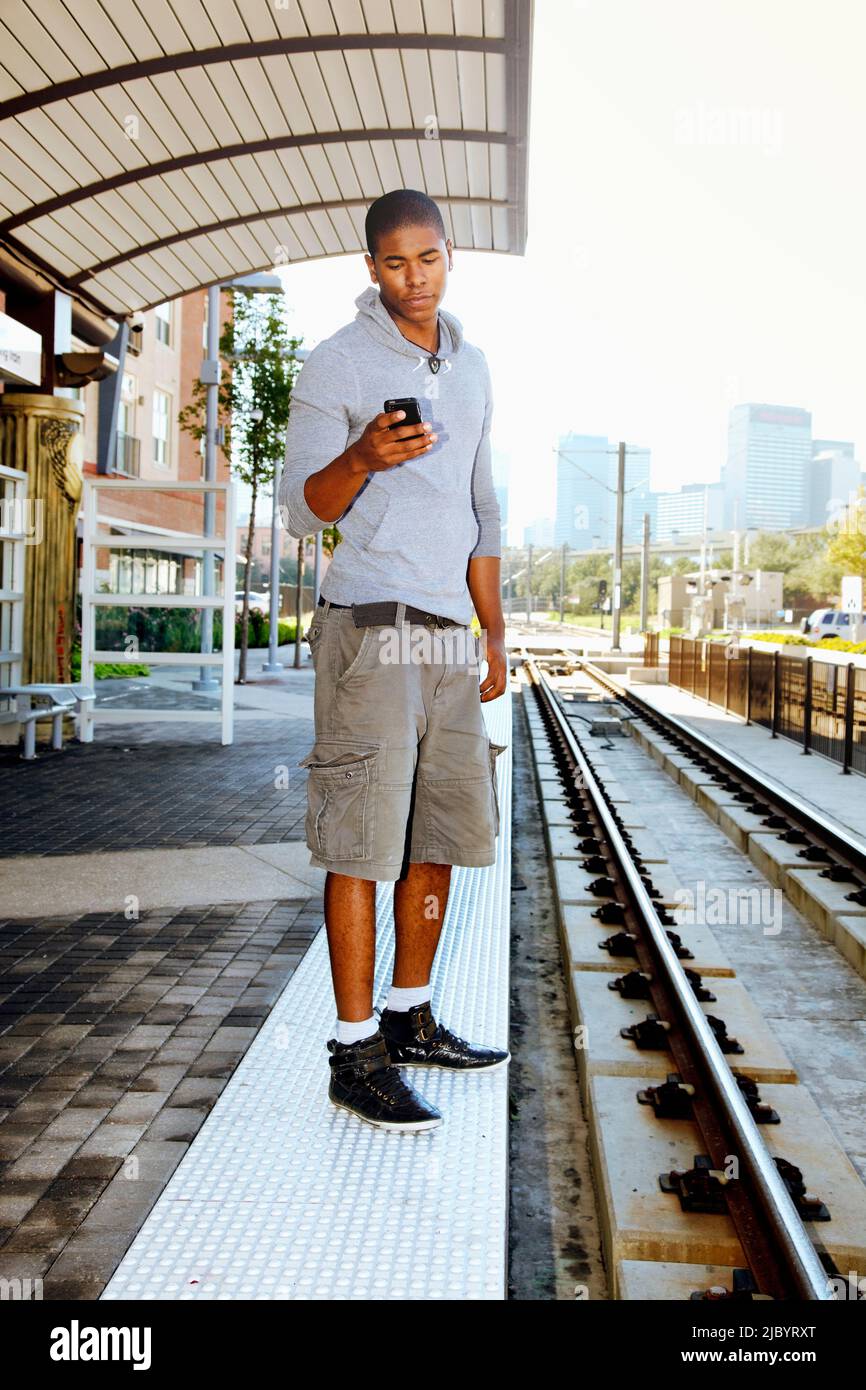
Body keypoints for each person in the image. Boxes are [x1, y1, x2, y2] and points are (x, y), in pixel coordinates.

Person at [280, 188, 509, 1132]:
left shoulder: (477, 365)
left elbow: (485, 510)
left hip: (452, 636)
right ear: (370, 268)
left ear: (448, 257)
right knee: (361, 843)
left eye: (429, 259)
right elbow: (305, 507)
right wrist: (366, 456)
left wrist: (494, 631)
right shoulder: (332, 365)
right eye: (395, 263)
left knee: (438, 837)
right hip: (371, 626)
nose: (415, 278)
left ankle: (410, 1017)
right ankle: (351, 1048)